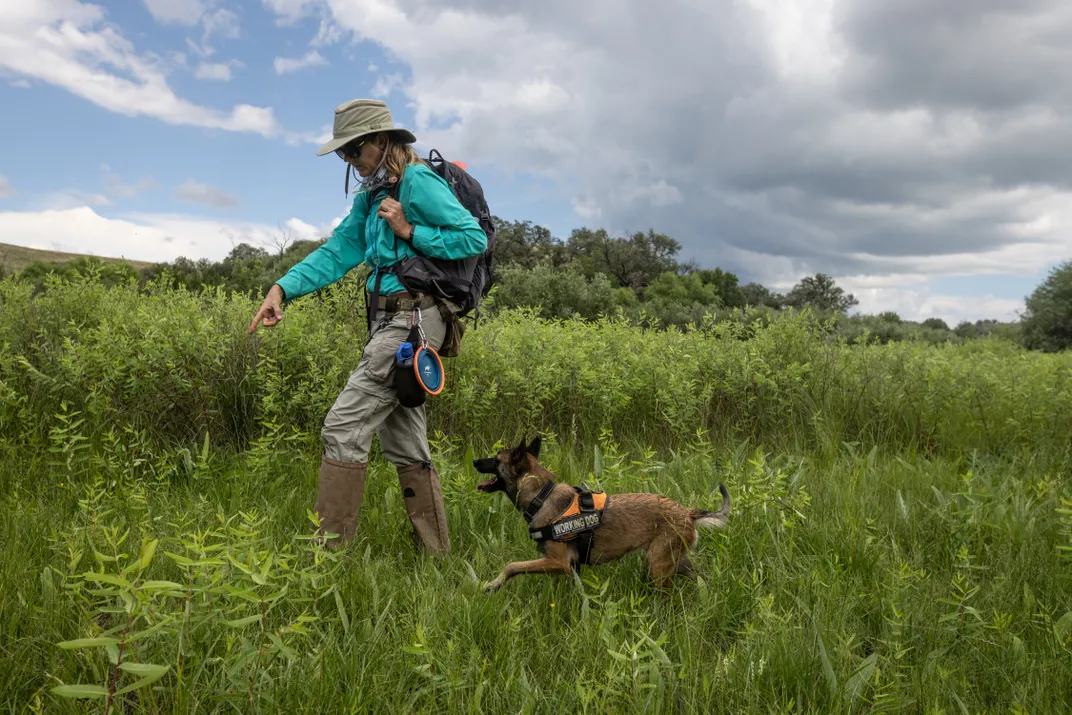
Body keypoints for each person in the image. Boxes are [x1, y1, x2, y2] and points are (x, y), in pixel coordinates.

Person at [248, 98, 487, 554]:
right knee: (405, 439)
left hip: (413, 320)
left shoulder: (416, 182)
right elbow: (339, 251)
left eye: (354, 150)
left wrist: (411, 232)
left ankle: (326, 562)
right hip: (389, 322)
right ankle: (439, 559)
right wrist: (282, 288)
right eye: (343, 154)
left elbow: (471, 236)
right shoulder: (373, 195)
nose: (350, 161)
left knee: (342, 428)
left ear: (381, 141)